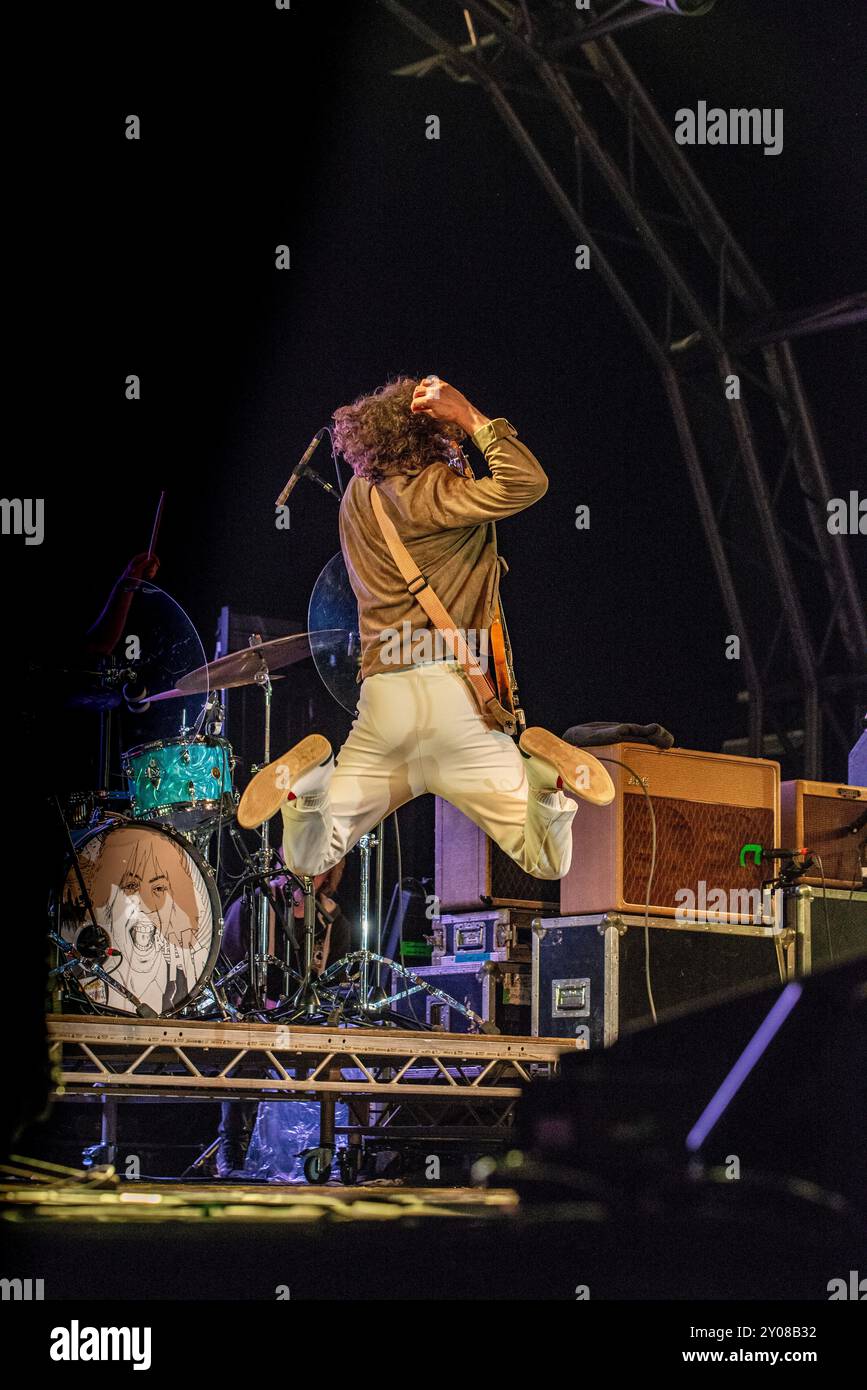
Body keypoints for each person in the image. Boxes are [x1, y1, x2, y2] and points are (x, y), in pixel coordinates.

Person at [238, 375, 614, 886]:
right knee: (547, 862)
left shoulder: (357, 498)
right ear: (429, 437)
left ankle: (308, 788)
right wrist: (470, 416)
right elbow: (527, 481)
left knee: (310, 859)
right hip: (452, 703)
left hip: (384, 702)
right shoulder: (435, 490)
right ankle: (546, 782)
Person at [214, 859, 352, 1180]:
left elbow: (334, 981)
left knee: (341, 1057)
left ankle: (333, 1149)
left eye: (317, 866)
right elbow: (228, 962)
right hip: (254, 1013)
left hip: (306, 1018)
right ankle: (231, 1153)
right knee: (246, 1058)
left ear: (329, 872)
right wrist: (256, 1002)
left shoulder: (333, 919)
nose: (304, 872)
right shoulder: (254, 906)